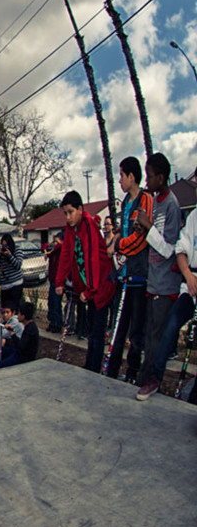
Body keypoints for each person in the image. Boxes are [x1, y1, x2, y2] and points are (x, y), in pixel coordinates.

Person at [134, 153, 184, 399]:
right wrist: (143, 228)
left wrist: (149, 227)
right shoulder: (156, 202)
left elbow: (169, 249)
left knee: (156, 338)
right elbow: (153, 241)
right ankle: (143, 377)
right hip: (153, 282)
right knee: (148, 335)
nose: (147, 180)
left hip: (166, 285)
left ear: (162, 178)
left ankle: (150, 380)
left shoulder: (172, 205)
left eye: (150, 176)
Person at [105, 156, 153, 382]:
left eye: (122, 175)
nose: (120, 180)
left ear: (132, 176)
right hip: (123, 274)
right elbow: (122, 231)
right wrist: (116, 242)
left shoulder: (146, 199)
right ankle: (112, 369)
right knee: (118, 326)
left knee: (136, 333)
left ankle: (133, 373)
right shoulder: (124, 203)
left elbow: (141, 237)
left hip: (139, 274)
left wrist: (118, 246)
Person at [55, 190, 114, 373]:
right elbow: (66, 254)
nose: (68, 217)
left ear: (80, 209)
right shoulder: (71, 229)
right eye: (65, 213)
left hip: (102, 286)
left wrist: (90, 290)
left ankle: (94, 369)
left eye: (71, 212)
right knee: (91, 331)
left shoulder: (89, 226)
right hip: (91, 288)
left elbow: (93, 260)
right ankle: (90, 366)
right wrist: (60, 281)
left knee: (97, 330)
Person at [0, 301, 40, 369]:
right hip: (20, 353)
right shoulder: (30, 326)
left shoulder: (29, 330)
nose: (17, 315)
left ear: (23, 316)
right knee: (0, 350)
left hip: (23, 358)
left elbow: (20, 346)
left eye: (19, 313)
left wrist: (12, 333)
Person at [0, 233, 24, 312]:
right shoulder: (1, 254)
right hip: (5, 284)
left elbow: (18, 265)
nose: (5, 248)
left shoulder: (17, 250)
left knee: (15, 308)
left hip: (16, 283)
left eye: (6, 246)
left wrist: (9, 255)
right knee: (5, 308)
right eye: (3, 245)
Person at [44, 232, 64, 333]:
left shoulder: (60, 251)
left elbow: (60, 245)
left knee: (56, 303)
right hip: (52, 280)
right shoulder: (53, 253)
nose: (54, 244)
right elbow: (45, 245)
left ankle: (58, 324)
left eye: (56, 242)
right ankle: (52, 322)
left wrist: (52, 249)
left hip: (58, 281)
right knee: (51, 302)